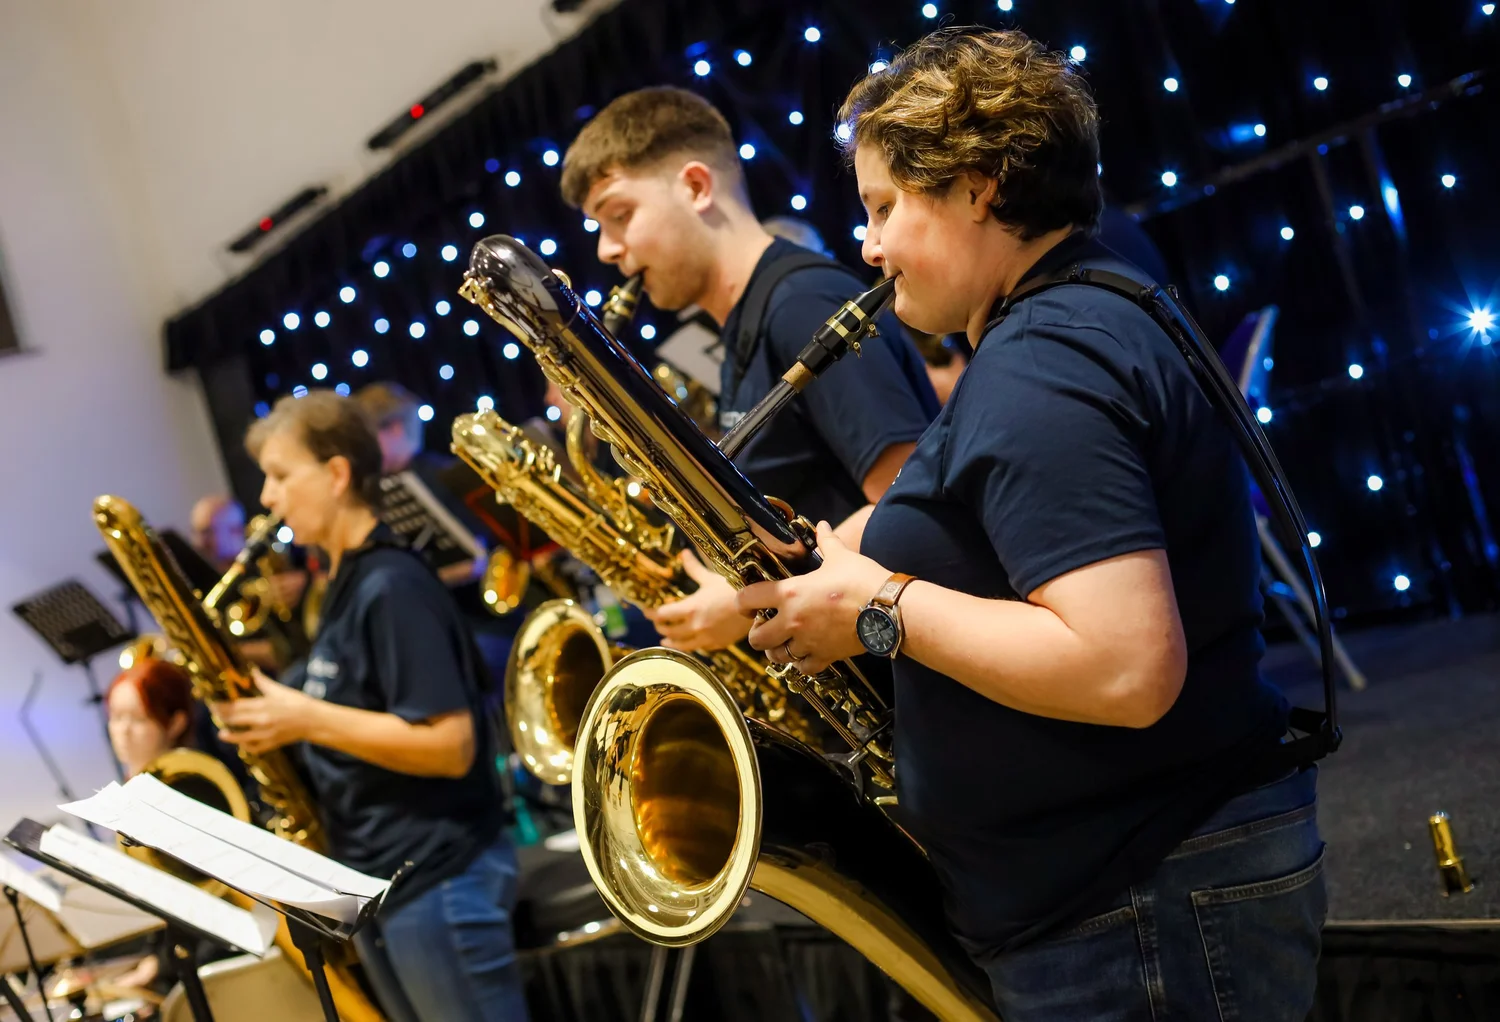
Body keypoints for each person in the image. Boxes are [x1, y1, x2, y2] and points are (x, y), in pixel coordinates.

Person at [737, 27, 1324, 1022]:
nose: (867, 246)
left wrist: (876, 605)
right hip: (1139, 881)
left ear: (976, 186)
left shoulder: (1041, 362)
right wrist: (855, 548)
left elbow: (1126, 669)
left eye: (884, 207)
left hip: (1140, 898)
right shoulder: (1067, 313)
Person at [560, 86, 940, 655]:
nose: (606, 251)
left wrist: (748, 604)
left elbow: (912, 492)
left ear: (695, 186)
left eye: (619, 216)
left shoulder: (800, 303)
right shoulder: (746, 321)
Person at [220, 391, 527, 1022]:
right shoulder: (343, 587)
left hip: (440, 883)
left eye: (280, 476)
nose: (268, 498)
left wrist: (302, 718)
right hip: (387, 886)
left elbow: (449, 746)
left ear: (335, 474)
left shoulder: (391, 586)